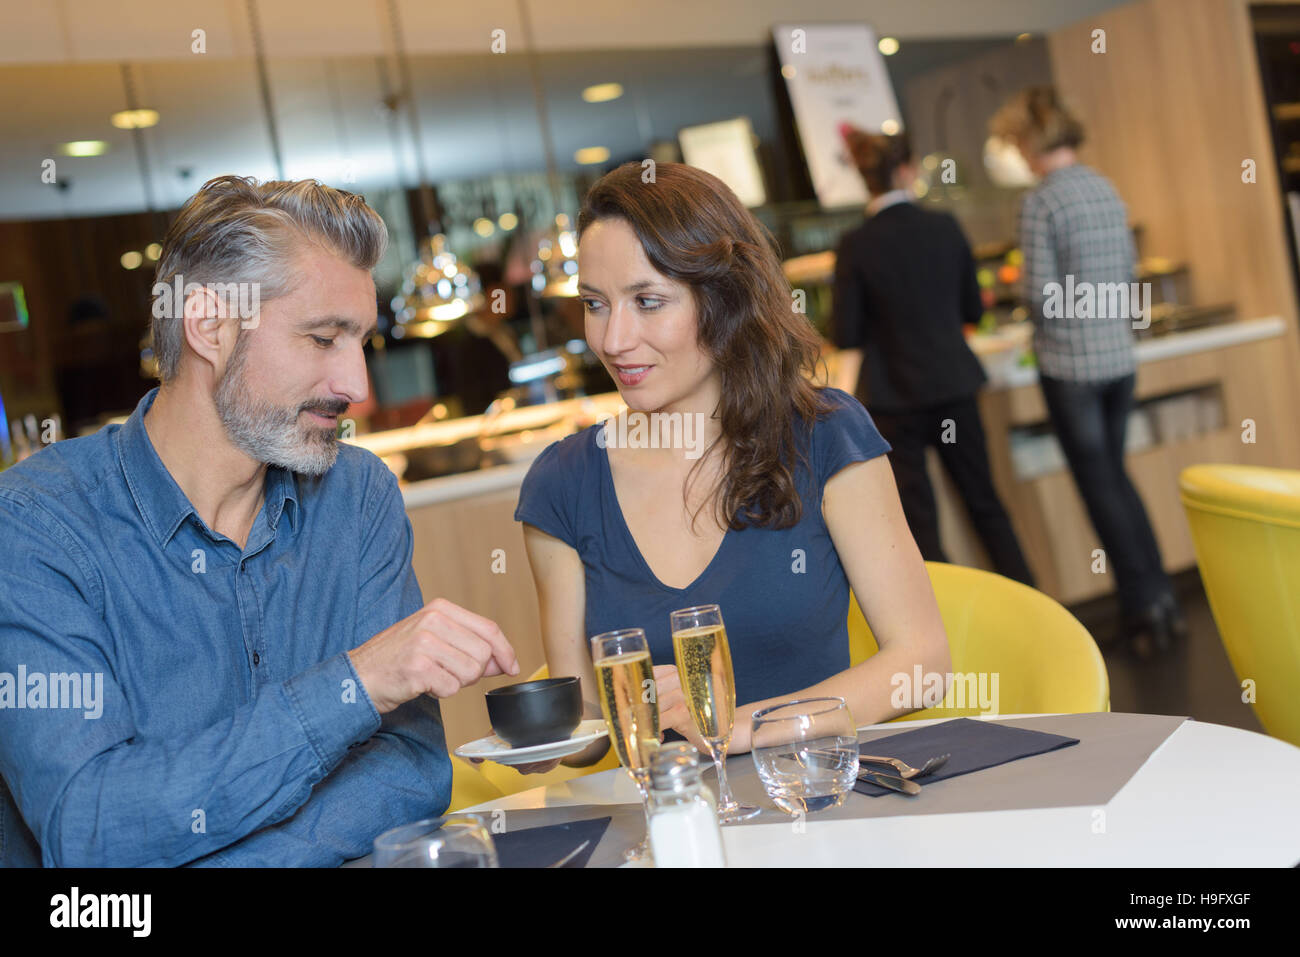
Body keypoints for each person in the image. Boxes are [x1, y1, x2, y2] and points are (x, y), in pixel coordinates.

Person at [0, 175, 520, 867]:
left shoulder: (358, 496)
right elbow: (94, 827)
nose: (356, 386)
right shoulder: (34, 527)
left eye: (360, 340)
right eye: (322, 338)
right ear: (210, 324)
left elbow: (412, 772)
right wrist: (354, 683)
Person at [513, 162, 951, 766]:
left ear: (723, 300)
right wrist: (541, 735)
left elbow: (922, 663)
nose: (613, 339)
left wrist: (736, 727)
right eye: (595, 303)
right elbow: (585, 739)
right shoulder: (561, 485)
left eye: (647, 301)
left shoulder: (824, 435)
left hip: (812, 802)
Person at [989, 86, 1188, 656]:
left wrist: (1027, 301)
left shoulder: (1042, 201)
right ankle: (1161, 600)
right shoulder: (1105, 188)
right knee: (1118, 483)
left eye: (1016, 145)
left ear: (1031, 142)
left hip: (1071, 368)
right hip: (1117, 360)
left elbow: (1041, 294)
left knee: (1100, 490)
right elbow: (1126, 276)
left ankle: (1142, 612)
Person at [831, 127, 1035, 587]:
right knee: (985, 503)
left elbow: (848, 333)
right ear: (906, 171)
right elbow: (971, 308)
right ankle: (1035, 607)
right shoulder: (943, 227)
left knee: (919, 522)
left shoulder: (855, 244)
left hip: (893, 400)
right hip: (953, 386)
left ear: (866, 180)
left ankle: (946, 629)